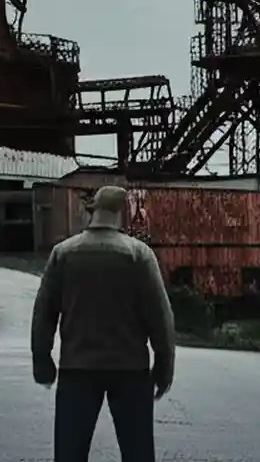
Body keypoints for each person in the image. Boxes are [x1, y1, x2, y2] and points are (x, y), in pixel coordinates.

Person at [31, 185, 176, 462]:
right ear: (123, 212)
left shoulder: (64, 253)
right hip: (131, 369)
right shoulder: (139, 254)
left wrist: (42, 358)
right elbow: (160, 316)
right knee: (138, 452)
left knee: (70, 453)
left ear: (93, 210)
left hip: (77, 368)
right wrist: (164, 365)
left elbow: (44, 311)